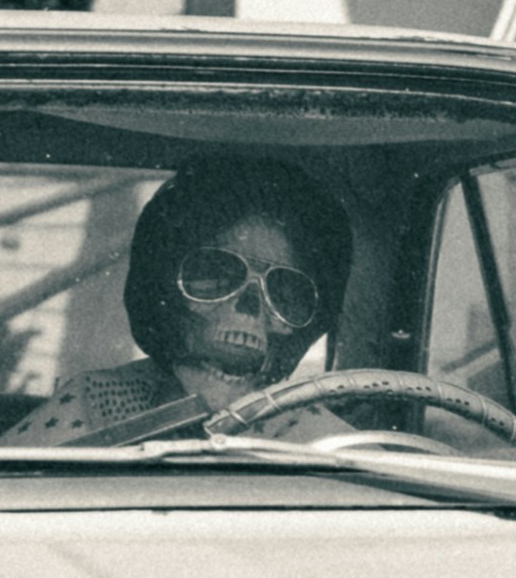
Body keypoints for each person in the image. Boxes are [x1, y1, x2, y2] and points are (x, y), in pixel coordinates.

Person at [40, 154, 352, 442]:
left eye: (285, 294)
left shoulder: (327, 444)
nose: (248, 310)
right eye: (214, 276)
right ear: (162, 286)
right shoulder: (94, 403)